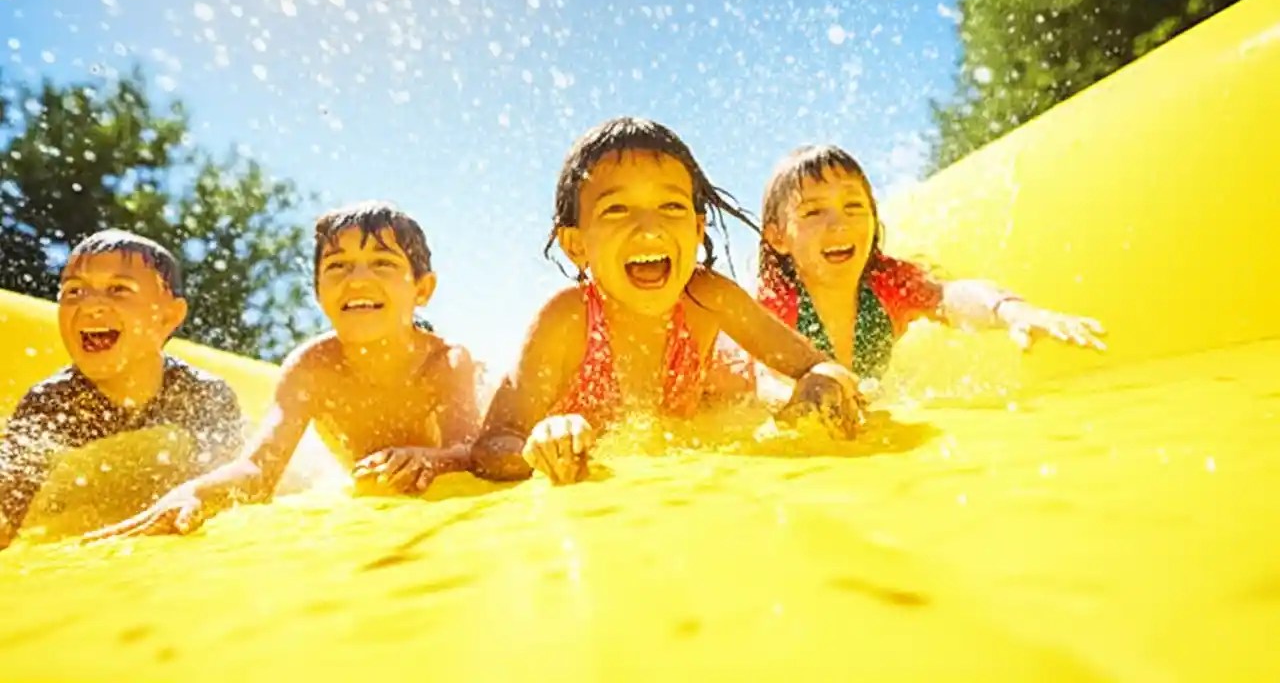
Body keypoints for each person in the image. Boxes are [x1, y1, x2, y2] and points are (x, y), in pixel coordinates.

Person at [472, 117, 865, 487]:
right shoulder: (566, 321)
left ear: (697, 229)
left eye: (671, 206)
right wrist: (540, 443)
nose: (649, 228)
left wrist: (822, 385)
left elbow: (816, 364)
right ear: (576, 244)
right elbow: (493, 443)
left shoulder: (707, 297)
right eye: (617, 209)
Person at [84, 202, 482, 540]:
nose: (358, 279)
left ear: (422, 290)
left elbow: (468, 449)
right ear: (318, 291)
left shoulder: (445, 364)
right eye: (338, 266)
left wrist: (433, 459)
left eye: (382, 263)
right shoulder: (312, 367)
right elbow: (258, 469)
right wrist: (196, 492)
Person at [756, 144, 1105, 385]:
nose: (840, 224)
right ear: (778, 238)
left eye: (854, 207)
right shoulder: (776, 305)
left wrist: (1011, 310)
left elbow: (950, 296)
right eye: (814, 211)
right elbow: (761, 380)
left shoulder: (886, 284)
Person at [0, 231, 244, 549]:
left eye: (118, 289)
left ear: (169, 316)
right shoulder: (52, 405)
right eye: (74, 291)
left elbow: (238, 492)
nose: (90, 306)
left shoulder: (200, 395)